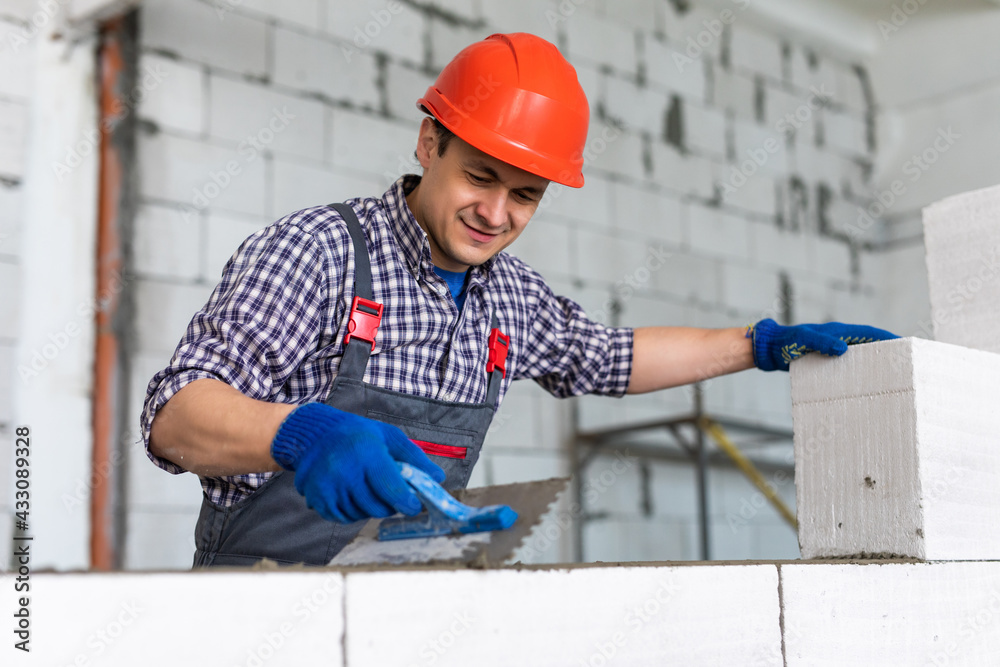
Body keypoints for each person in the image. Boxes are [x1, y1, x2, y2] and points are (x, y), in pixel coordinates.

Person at [142, 33, 896, 567]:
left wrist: (758, 344)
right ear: (430, 143)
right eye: (479, 176)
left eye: (525, 195)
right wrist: (299, 435)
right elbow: (172, 415)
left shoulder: (512, 299)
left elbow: (611, 356)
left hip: (401, 616)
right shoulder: (318, 251)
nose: (496, 214)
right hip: (257, 610)